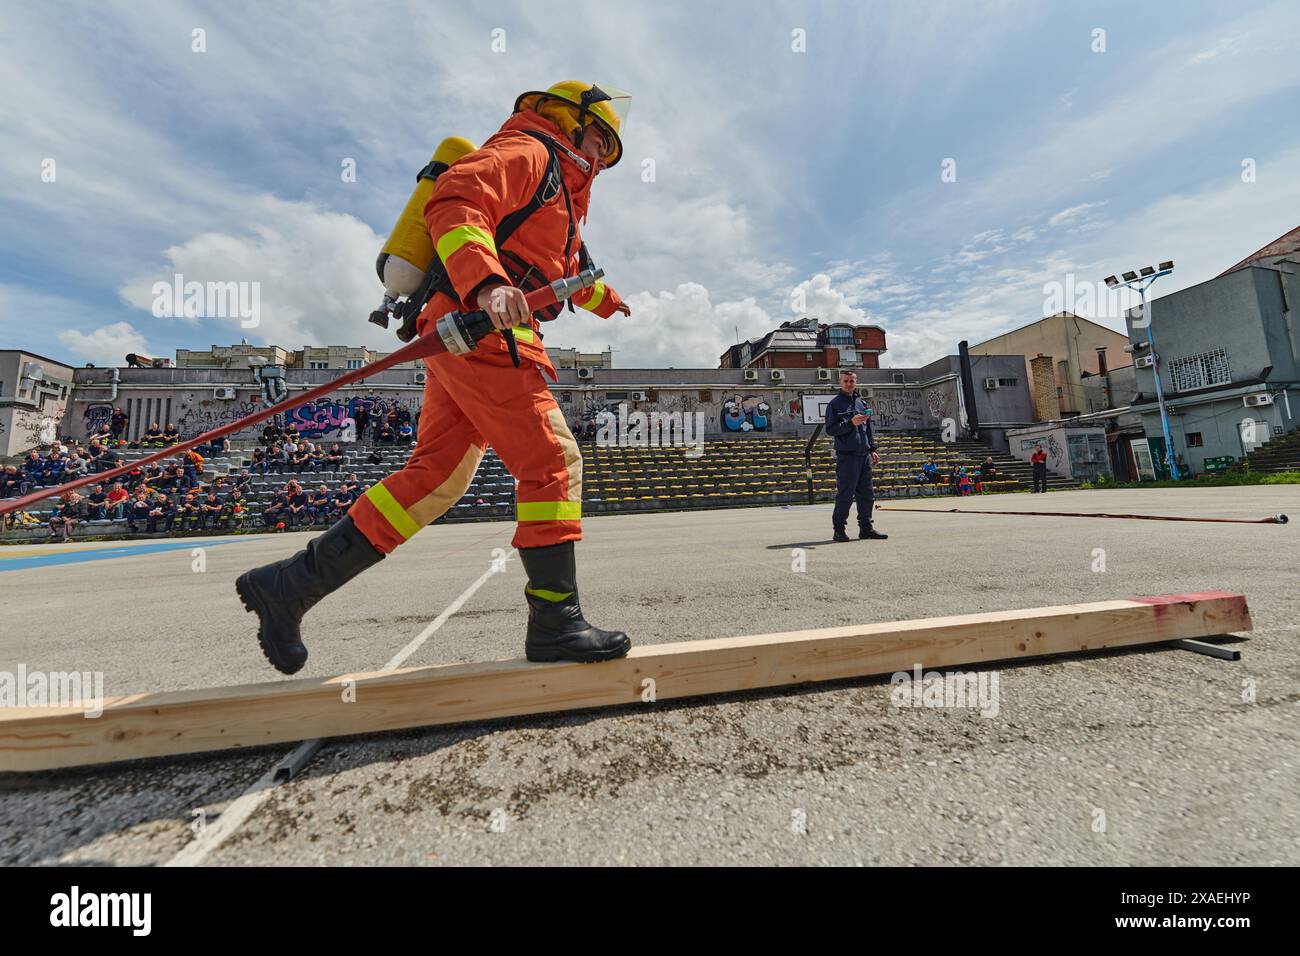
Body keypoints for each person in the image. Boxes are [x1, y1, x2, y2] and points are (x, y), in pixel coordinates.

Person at [237, 80, 634, 675]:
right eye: (599, 139)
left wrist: (606, 299)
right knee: (553, 461)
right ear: (569, 123)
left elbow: (563, 267)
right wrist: (489, 283)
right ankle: (556, 622)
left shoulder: (564, 199)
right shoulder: (532, 151)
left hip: (462, 332)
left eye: (608, 148)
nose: (601, 156)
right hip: (483, 328)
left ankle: (291, 585)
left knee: (435, 479)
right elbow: (456, 200)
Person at [823, 369, 887, 542]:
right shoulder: (834, 405)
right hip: (847, 456)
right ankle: (839, 530)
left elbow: (868, 429)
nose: (849, 384)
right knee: (845, 494)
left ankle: (866, 528)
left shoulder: (862, 404)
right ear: (840, 382)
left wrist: (872, 449)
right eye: (845, 381)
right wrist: (849, 423)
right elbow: (830, 430)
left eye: (852, 381)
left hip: (863, 455)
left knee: (867, 495)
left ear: (856, 382)